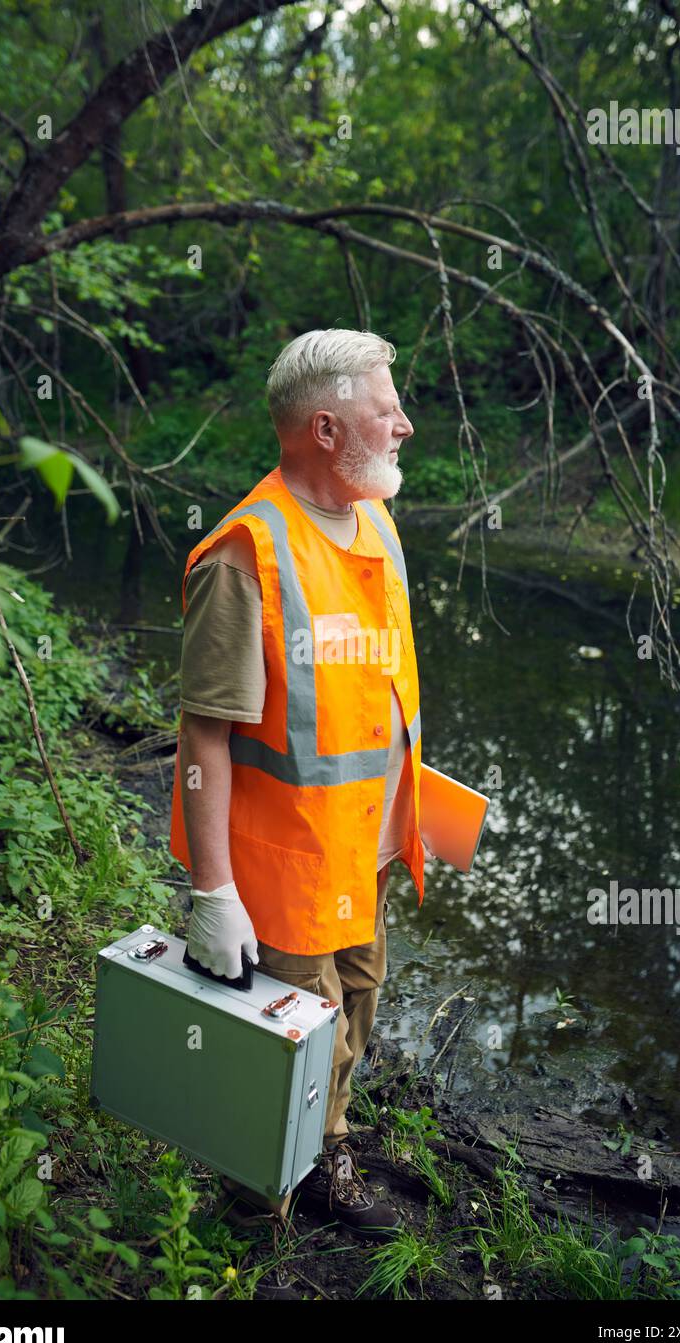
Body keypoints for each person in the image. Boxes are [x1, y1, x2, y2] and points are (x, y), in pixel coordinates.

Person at [169, 328, 427, 1294]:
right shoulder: (245, 556)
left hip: (361, 851)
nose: (404, 423)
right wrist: (213, 894)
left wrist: (415, 821)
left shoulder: (373, 519)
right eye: (383, 409)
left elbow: (378, 703)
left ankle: (328, 1154)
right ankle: (254, 1214)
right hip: (278, 867)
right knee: (289, 1039)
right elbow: (205, 739)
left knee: (353, 1010)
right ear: (326, 427)